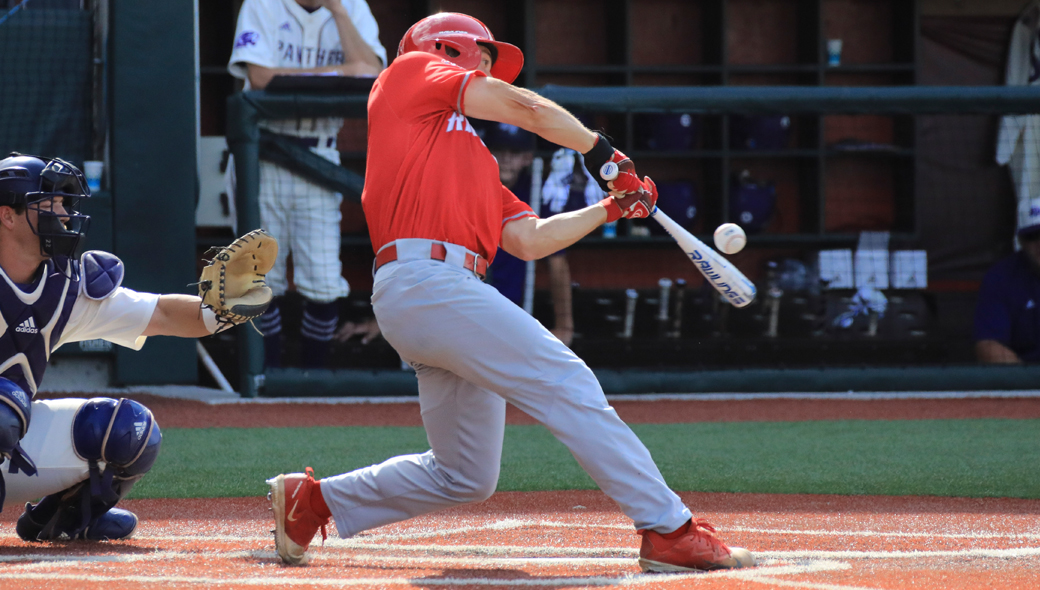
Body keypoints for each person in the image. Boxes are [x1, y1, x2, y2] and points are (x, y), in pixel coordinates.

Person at [264, 12, 754, 573]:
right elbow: (527, 108)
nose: (491, 68)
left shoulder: (472, 157)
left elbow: (529, 239)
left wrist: (610, 207)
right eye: (485, 56)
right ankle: (668, 529)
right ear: (445, 48)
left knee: (465, 474)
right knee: (566, 380)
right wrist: (602, 152)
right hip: (426, 281)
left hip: (440, 293)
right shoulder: (406, 73)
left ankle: (314, 502)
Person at [0, 154, 253, 542]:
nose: (64, 214)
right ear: (8, 216)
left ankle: (67, 519)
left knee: (129, 429)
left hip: (12, 444)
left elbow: (163, 315)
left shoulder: (63, 287)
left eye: (64, 203)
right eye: (48, 204)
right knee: (6, 406)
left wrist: (221, 309)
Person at [227, 0, 386, 369]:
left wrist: (340, 13)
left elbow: (372, 73)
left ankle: (313, 380)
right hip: (262, 153)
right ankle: (265, 376)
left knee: (324, 282)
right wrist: (340, 72)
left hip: (320, 153)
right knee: (261, 279)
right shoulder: (261, 5)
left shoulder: (353, 8)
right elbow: (261, 77)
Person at [480, 123, 598, 345]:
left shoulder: (536, 190)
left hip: (515, 309)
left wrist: (565, 325)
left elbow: (557, 260)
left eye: (514, 152)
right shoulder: (471, 186)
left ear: (527, 157)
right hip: (469, 305)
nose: (505, 158)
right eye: (499, 150)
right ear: (486, 151)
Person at [973, 198, 1040, 363]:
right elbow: (988, 345)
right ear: (1021, 241)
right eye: (1033, 236)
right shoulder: (1001, 278)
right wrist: (1028, 382)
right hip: (1026, 379)